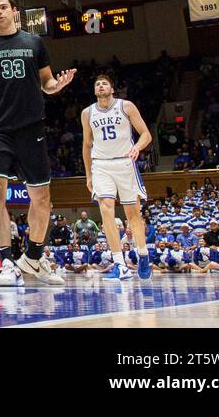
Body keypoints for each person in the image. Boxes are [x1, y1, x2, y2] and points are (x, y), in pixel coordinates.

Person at [0, 0, 75, 287]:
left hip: (31, 126)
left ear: (14, 11)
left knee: (42, 197)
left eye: (3, 7)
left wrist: (57, 85)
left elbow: (47, 82)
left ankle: (34, 258)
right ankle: (7, 263)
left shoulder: (34, 42)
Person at [82, 71, 152, 281]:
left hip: (125, 163)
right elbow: (86, 145)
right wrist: (88, 175)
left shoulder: (126, 106)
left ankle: (143, 253)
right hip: (101, 165)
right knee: (106, 211)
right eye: (97, 84)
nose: (100, 86)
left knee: (133, 215)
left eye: (104, 84)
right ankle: (119, 264)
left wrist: (137, 148)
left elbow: (146, 134)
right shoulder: (87, 113)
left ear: (112, 89)